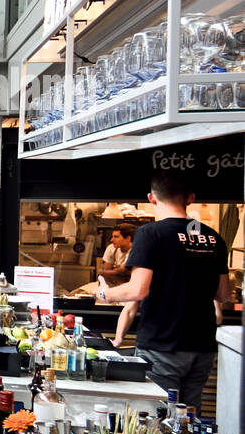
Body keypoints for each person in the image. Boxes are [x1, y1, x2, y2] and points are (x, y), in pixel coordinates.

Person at [97, 172, 229, 413]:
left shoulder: (151, 234)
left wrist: (106, 294)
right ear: (190, 198)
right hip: (202, 347)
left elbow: (138, 290)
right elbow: (223, 294)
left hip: (162, 345)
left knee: (157, 417)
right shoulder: (213, 238)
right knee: (189, 419)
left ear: (151, 198)